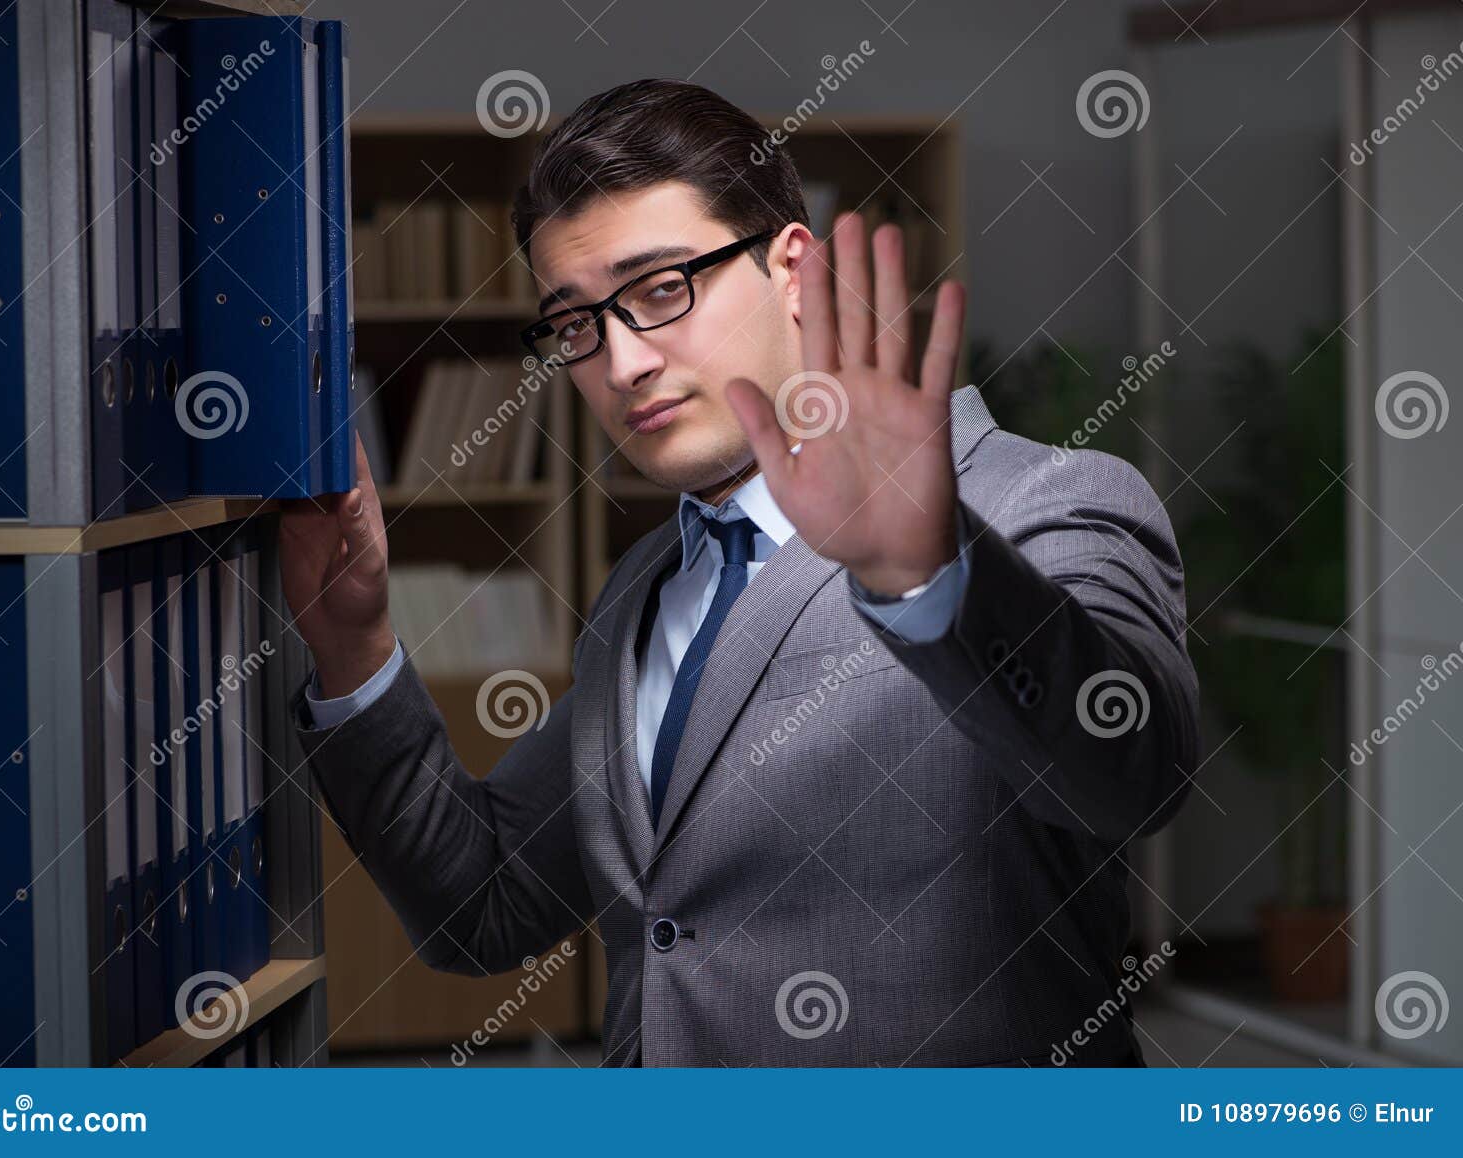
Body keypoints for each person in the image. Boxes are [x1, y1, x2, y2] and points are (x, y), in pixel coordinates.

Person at [279, 78, 1199, 1066]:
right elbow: (484, 906)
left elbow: (1131, 779)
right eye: (576, 322)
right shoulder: (640, 588)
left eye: (660, 290)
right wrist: (352, 645)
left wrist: (930, 574)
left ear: (792, 269)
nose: (621, 363)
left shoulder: (1042, 502)